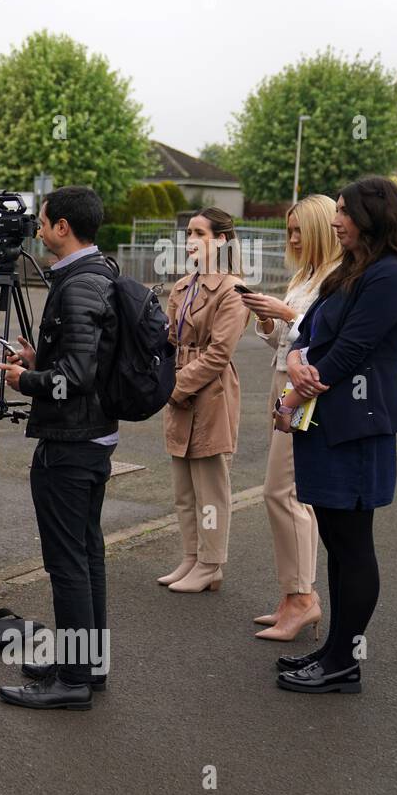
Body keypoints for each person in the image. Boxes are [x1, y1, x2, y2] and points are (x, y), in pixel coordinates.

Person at [274, 176, 397, 694]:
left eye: (344, 212)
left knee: (353, 547)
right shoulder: (350, 271)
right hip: (327, 421)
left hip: (357, 426)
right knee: (336, 542)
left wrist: (291, 397)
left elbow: (350, 350)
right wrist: (293, 359)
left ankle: (345, 664)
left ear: (372, 216)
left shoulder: (392, 276)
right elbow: (306, 331)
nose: (335, 221)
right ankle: (333, 650)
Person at [0, 186, 118, 710]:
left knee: (69, 562)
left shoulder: (78, 284)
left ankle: (72, 680)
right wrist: (38, 354)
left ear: (63, 226)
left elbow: (79, 374)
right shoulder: (100, 274)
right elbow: (81, 356)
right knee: (87, 554)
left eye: (43, 222)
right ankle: (86, 662)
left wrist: (26, 380)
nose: (38, 231)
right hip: (91, 435)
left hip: (73, 442)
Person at [239, 196, 340, 641]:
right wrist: (268, 320)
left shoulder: (336, 277)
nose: (293, 239)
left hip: (304, 389)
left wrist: (286, 313)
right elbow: (287, 339)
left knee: (282, 492)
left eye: (299, 230)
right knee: (288, 493)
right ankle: (292, 595)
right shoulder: (307, 275)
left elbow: (324, 335)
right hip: (284, 381)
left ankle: (303, 598)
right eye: (289, 231)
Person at [158, 207, 249, 594]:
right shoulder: (182, 287)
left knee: (211, 490)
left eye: (200, 233)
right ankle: (193, 557)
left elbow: (218, 353)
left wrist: (176, 387)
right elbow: (169, 342)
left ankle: (212, 563)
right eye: (189, 233)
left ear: (222, 240)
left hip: (209, 395)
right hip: (179, 391)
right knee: (184, 489)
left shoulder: (232, 290)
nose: (191, 240)